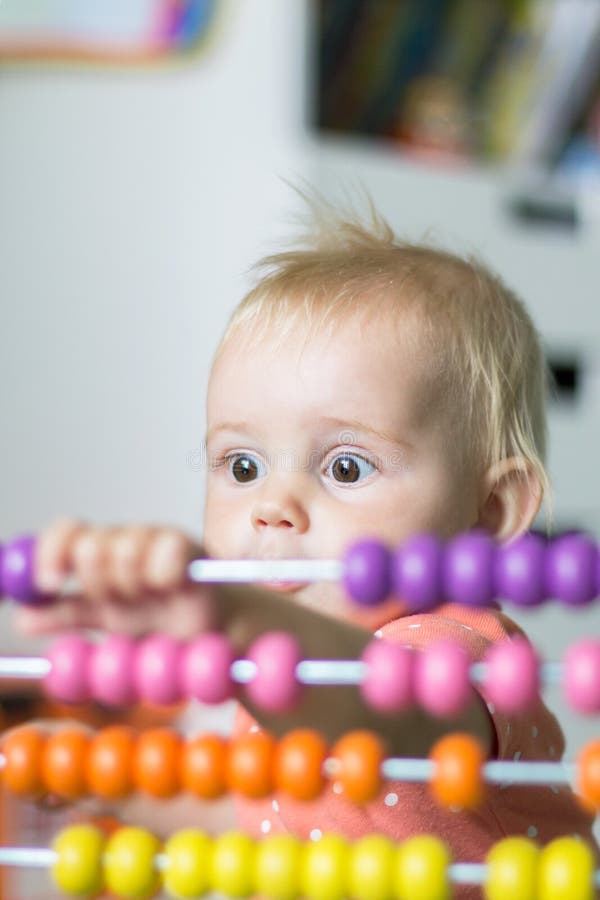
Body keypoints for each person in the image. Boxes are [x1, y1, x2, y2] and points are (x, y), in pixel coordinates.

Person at [18, 196, 597, 894]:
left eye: (345, 467)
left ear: (490, 511)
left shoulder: (459, 656)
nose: (272, 508)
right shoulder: (276, 686)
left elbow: (378, 716)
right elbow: (257, 829)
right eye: (242, 466)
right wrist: (104, 777)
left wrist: (230, 617)